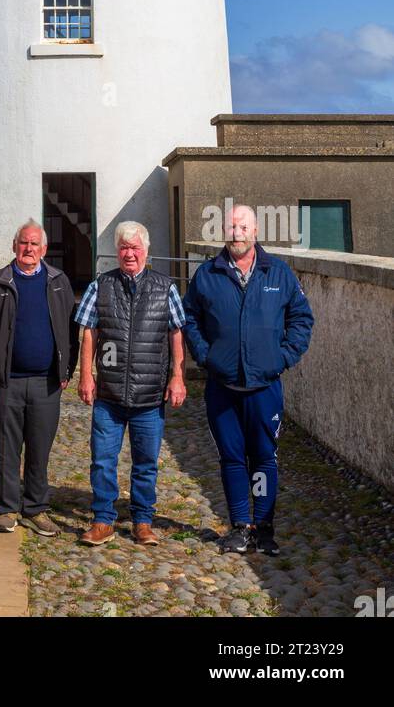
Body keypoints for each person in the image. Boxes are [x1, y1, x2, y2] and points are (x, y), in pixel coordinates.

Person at [183, 204, 314, 556]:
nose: (236, 233)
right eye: (231, 227)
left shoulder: (279, 273)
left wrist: (283, 357)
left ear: (255, 231)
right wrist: (205, 356)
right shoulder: (208, 274)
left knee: (264, 457)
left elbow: (302, 319)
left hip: (264, 387)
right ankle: (241, 526)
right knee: (232, 458)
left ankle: (265, 528)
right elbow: (189, 317)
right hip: (223, 388)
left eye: (243, 227)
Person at [75, 221, 186, 548]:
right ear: (117, 251)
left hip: (150, 396)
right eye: (124, 248)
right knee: (102, 460)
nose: (129, 254)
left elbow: (176, 332)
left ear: (146, 252)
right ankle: (103, 520)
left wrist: (177, 376)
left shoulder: (165, 288)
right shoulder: (101, 286)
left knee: (146, 463)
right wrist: (85, 375)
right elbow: (88, 332)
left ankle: (142, 521)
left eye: (135, 248)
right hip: (109, 394)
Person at [0, 219, 78, 535]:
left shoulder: (59, 282)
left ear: (43, 249)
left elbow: (71, 331)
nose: (28, 249)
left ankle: (35, 508)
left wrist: (66, 371)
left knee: (39, 448)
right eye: (23, 242)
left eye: (34, 244)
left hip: (47, 382)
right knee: (6, 448)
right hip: (8, 381)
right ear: (14, 246)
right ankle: (6, 509)